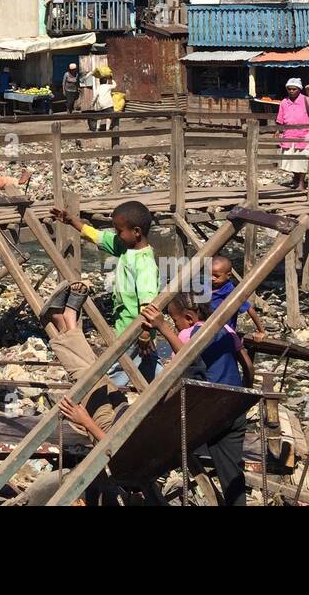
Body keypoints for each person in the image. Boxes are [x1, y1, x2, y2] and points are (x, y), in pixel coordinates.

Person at [140, 294, 252, 506]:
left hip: (211, 407)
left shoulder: (187, 334)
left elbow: (187, 359)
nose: (175, 325)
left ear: (189, 318)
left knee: (163, 441)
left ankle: (152, 480)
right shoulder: (226, 329)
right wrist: (245, 393)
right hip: (235, 405)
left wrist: (163, 327)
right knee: (231, 470)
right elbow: (247, 363)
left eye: (175, 320)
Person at [52, 200, 164, 382]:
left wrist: (144, 332)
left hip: (134, 330)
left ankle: (99, 396)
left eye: (119, 231)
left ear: (136, 232)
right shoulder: (126, 248)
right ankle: (169, 388)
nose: (116, 235)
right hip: (129, 328)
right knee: (148, 363)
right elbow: (98, 237)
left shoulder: (144, 264)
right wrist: (73, 222)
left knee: (116, 370)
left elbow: (148, 303)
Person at [276, 77, 309, 190]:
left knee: (302, 160)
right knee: (291, 160)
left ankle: (301, 183)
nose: (291, 91)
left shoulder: (307, 101)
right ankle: (295, 179)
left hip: (304, 135)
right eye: (289, 89)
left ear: (299, 89)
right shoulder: (284, 103)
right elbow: (280, 119)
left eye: (294, 89)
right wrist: (277, 130)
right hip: (289, 135)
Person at [210, 256, 266, 337]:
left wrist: (261, 331)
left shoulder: (230, 292)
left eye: (216, 276)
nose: (212, 278)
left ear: (228, 275)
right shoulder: (207, 287)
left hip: (223, 333)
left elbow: (249, 309)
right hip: (205, 327)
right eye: (209, 275)